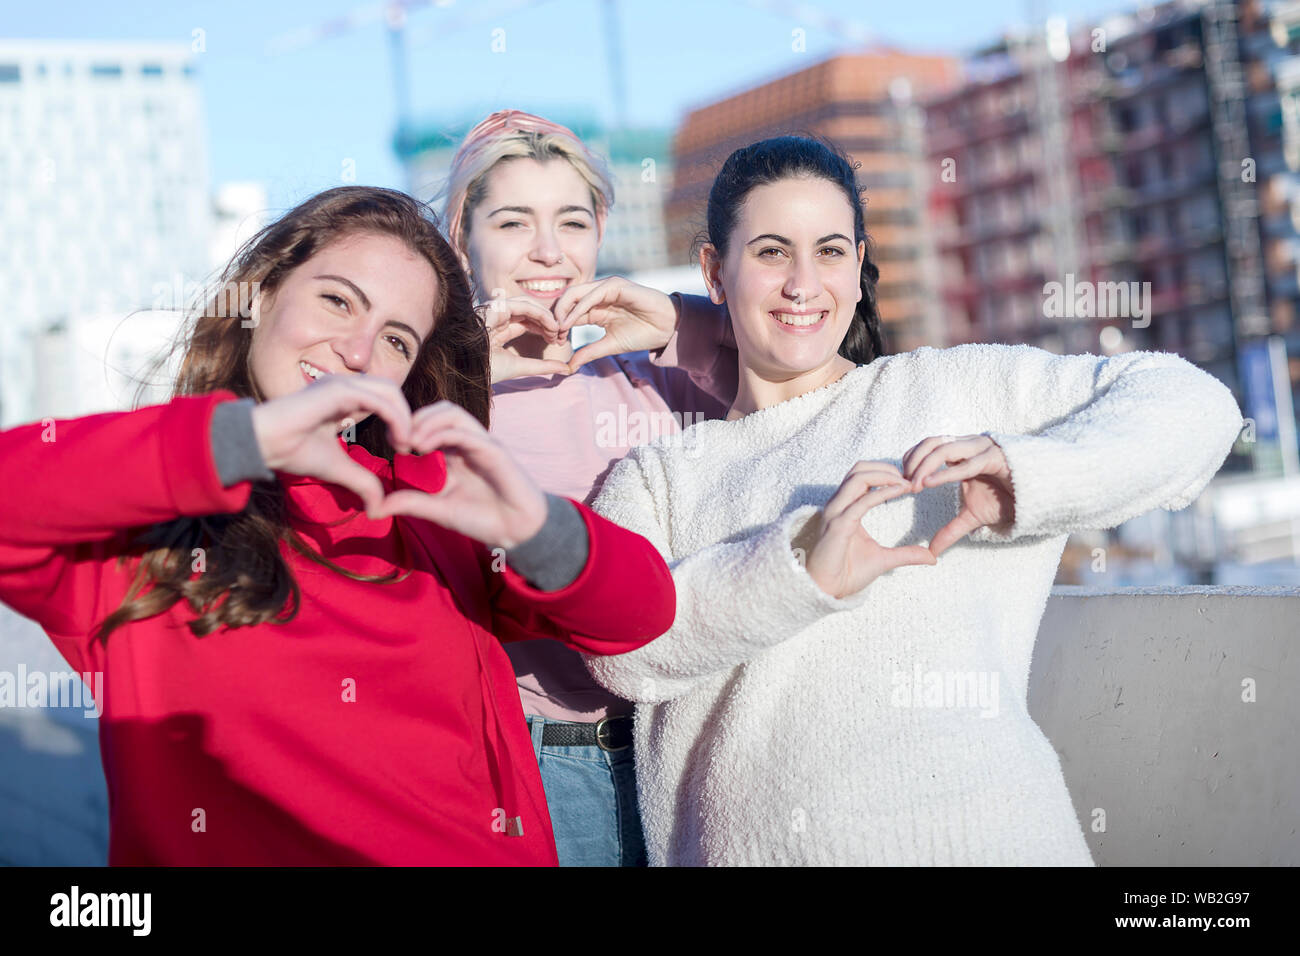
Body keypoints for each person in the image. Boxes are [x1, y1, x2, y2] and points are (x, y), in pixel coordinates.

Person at [582, 136, 1245, 866]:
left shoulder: (949, 389)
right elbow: (623, 647)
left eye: (830, 252)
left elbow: (1191, 403)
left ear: (859, 266)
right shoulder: (658, 477)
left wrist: (1031, 475)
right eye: (772, 252)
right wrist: (799, 568)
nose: (805, 284)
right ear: (714, 270)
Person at [0, 185, 675, 866]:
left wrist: (534, 522)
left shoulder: (429, 507)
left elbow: (642, 613)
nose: (356, 349)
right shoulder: (147, 531)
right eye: (338, 300)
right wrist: (244, 441)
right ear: (261, 296)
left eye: (394, 338)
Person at [439, 109, 738, 865]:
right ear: (459, 238)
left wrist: (677, 320)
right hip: (538, 765)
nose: (547, 251)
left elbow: (816, 377)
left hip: (689, 749)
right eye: (511, 223)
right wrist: (455, 379)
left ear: (600, 231)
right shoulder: (432, 401)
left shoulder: (661, 378)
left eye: (571, 222)